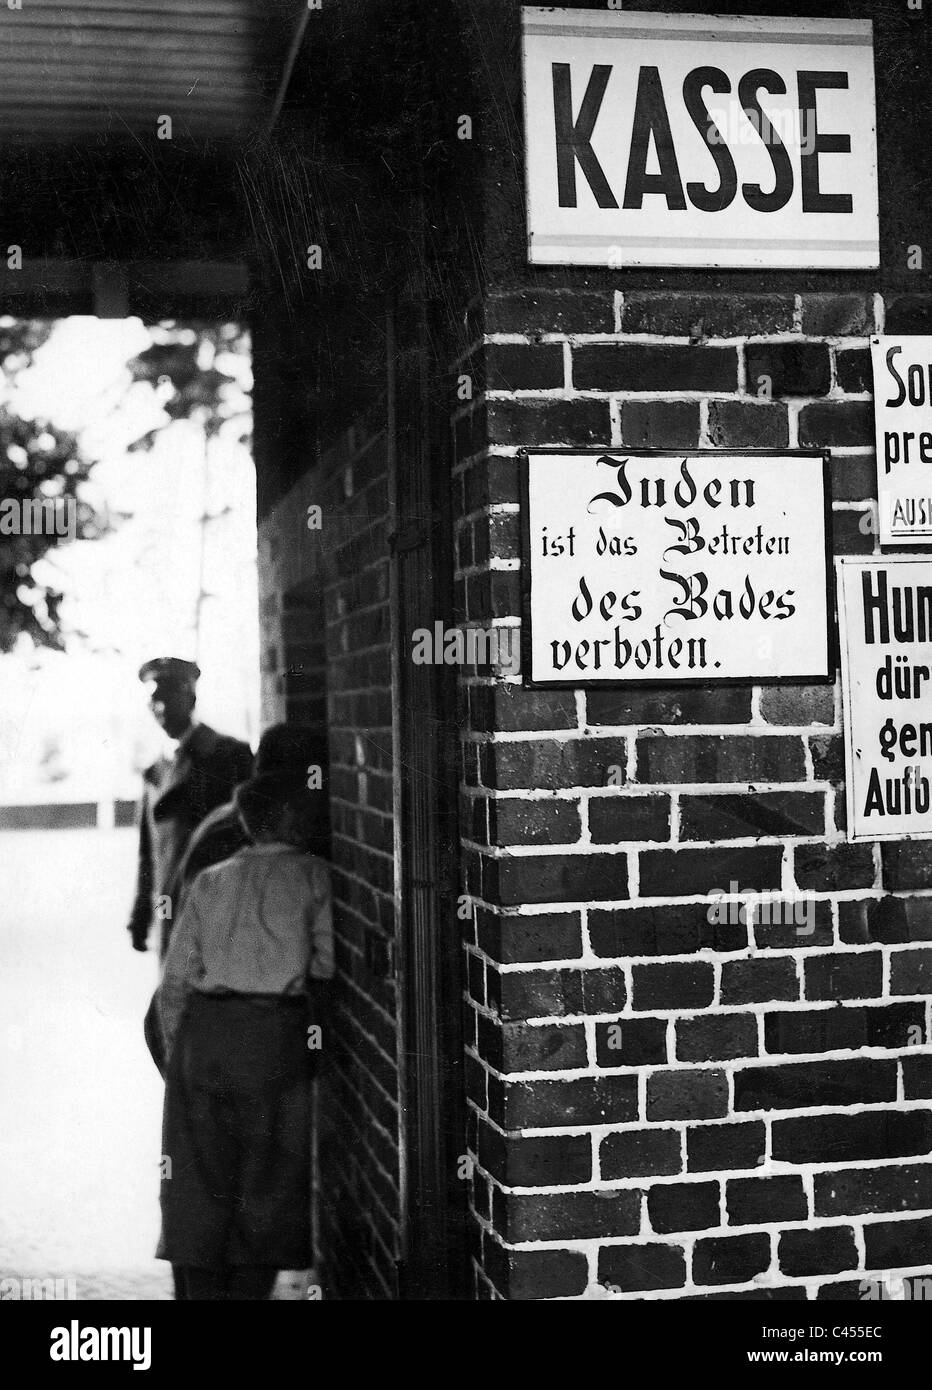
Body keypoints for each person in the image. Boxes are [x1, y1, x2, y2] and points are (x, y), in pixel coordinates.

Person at [151, 768, 334, 1301]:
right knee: (269, 1182)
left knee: (197, 1183)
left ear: (248, 824)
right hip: (273, 1039)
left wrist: (180, 1056)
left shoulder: (210, 880)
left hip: (203, 1037)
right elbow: (326, 965)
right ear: (291, 818)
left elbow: (173, 984)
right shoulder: (314, 875)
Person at [126, 657, 252, 958]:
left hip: (218, 905)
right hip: (169, 906)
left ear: (191, 699)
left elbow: (249, 833)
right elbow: (149, 850)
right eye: (154, 700)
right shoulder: (156, 771)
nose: (160, 708)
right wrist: (140, 914)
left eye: (168, 698)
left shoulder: (228, 755)